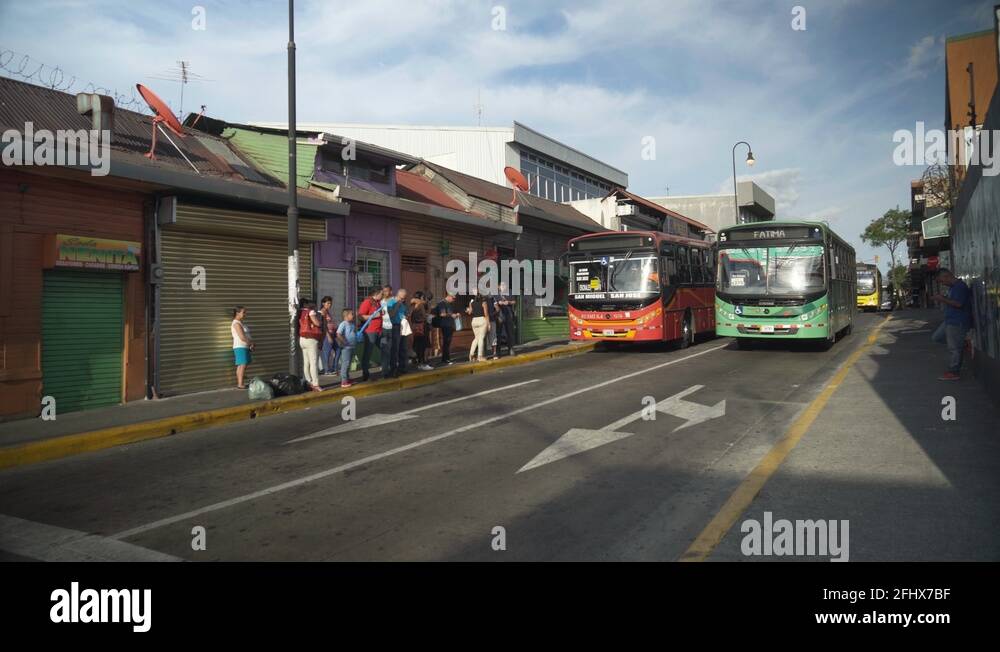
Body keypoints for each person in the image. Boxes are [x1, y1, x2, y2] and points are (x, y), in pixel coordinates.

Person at [930, 268, 973, 381]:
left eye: (942, 281)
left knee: (953, 348)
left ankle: (954, 371)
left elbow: (959, 304)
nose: (942, 284)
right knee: (937, 337)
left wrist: (942, 299)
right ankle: (961, 343)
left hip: (957, 321)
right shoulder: (953, 288)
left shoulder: (960, 287)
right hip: (950, 320)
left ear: (947, 276)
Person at [379, 287, 407, 379]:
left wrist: (405, 316)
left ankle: (398, 368)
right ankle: (389, 370)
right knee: (390, 349)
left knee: (399, 349)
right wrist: (397, 305)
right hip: (391, 327)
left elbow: (405, 312)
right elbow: (390, 314)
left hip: (401, 326)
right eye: (401, 298)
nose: (402, 300)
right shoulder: (391, 302)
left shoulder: (402, 304)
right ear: (397, 295)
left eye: (404, 298)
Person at [357, 288, 384, 382]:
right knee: (368, 352)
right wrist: (373, 316)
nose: (382, 295)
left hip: (379, 330)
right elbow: (360, 316)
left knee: (385, 348)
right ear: (376, 293)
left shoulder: (378, 302)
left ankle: (385, 369)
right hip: (370, 331)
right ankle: (365, 373)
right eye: (381, 293)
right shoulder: (367, 302)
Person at [297, 297, 324, 392]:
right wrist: (320, 320)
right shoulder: (310, 312)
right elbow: (317, 323)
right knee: (313, 363)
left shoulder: (298, 312)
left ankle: (308, 381)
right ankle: (315, 384)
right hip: (311, 339)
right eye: (308, 303)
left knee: (306, 362)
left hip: (302, 339)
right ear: (305, 304)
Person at [432, 293, 459, 365]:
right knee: (446, 342)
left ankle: (446, 358)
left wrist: (456, 315)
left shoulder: (450, 304)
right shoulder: (442, 303)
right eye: (453, 298)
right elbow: (442, 314)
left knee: (448, 342)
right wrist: (451, 315)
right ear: (449, 296)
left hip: (450, 325)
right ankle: (445, 359)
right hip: (445, 325)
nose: (454, 300)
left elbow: (450, 313)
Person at [231, 306, 254, 389]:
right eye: (243, 312)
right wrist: (250, 343)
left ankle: (240, 383)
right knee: (242, 365)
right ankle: (240, 384)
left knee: (242, 364)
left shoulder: (240, 323)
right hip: (240, 346)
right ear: (237, 313)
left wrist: (249, 344)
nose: (245, 314)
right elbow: (242, 337)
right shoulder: (236, 323)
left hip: (244, 346)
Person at [410, 291, 432, 371]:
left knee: (418, 345)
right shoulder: (420, 304)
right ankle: (422, 363)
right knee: (422, 346)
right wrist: (428, 317)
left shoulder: (413, 305)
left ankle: (418, 361)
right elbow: (423, 316)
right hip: (422, 327)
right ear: (422, 297)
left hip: (415, 327)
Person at [466, 291, 490, 362]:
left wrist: (467, 310)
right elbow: (486, 314)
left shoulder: (471, 302)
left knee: (476, 338)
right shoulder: (484, 302)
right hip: (482, 320)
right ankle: (480, 356)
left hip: (474, 320)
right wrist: (488, 324)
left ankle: (471, 354)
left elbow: (470, 312)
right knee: (481, 338)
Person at [335, 308, 357, 388]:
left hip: (352, 346)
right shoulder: (343, 324)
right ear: (346, 316)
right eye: (352, 314)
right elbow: (338, 334)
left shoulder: (352, 324)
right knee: (345, 364)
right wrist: (344, 342)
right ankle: (343, 381)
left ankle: (347, 378)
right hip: (346, 348)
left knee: (349, 364)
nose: (353, 315)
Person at [495, 282, 516, 357]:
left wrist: (509, 302)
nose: (504, 286)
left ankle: (511, 349)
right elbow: (493, 303)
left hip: (509, 315)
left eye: (505, 285)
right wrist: (498, 302)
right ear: (499, 287)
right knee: (498, 333)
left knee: (510, 332)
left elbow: (514, 301)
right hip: (500, 315)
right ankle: (498, 351)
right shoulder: (496, 294)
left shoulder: (510, 292)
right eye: (502, 285)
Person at [318, 296, 337, 375]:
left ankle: (333, 367)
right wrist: (328, 336)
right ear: (323, 303)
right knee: (327, 352)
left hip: (332, 333)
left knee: (338, 349)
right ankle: (327, 370)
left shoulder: (327, 311)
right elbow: (324, 325)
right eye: (328, 303)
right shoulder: (322, 312)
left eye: (330, 303)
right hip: (326, 335)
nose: (330, 305)